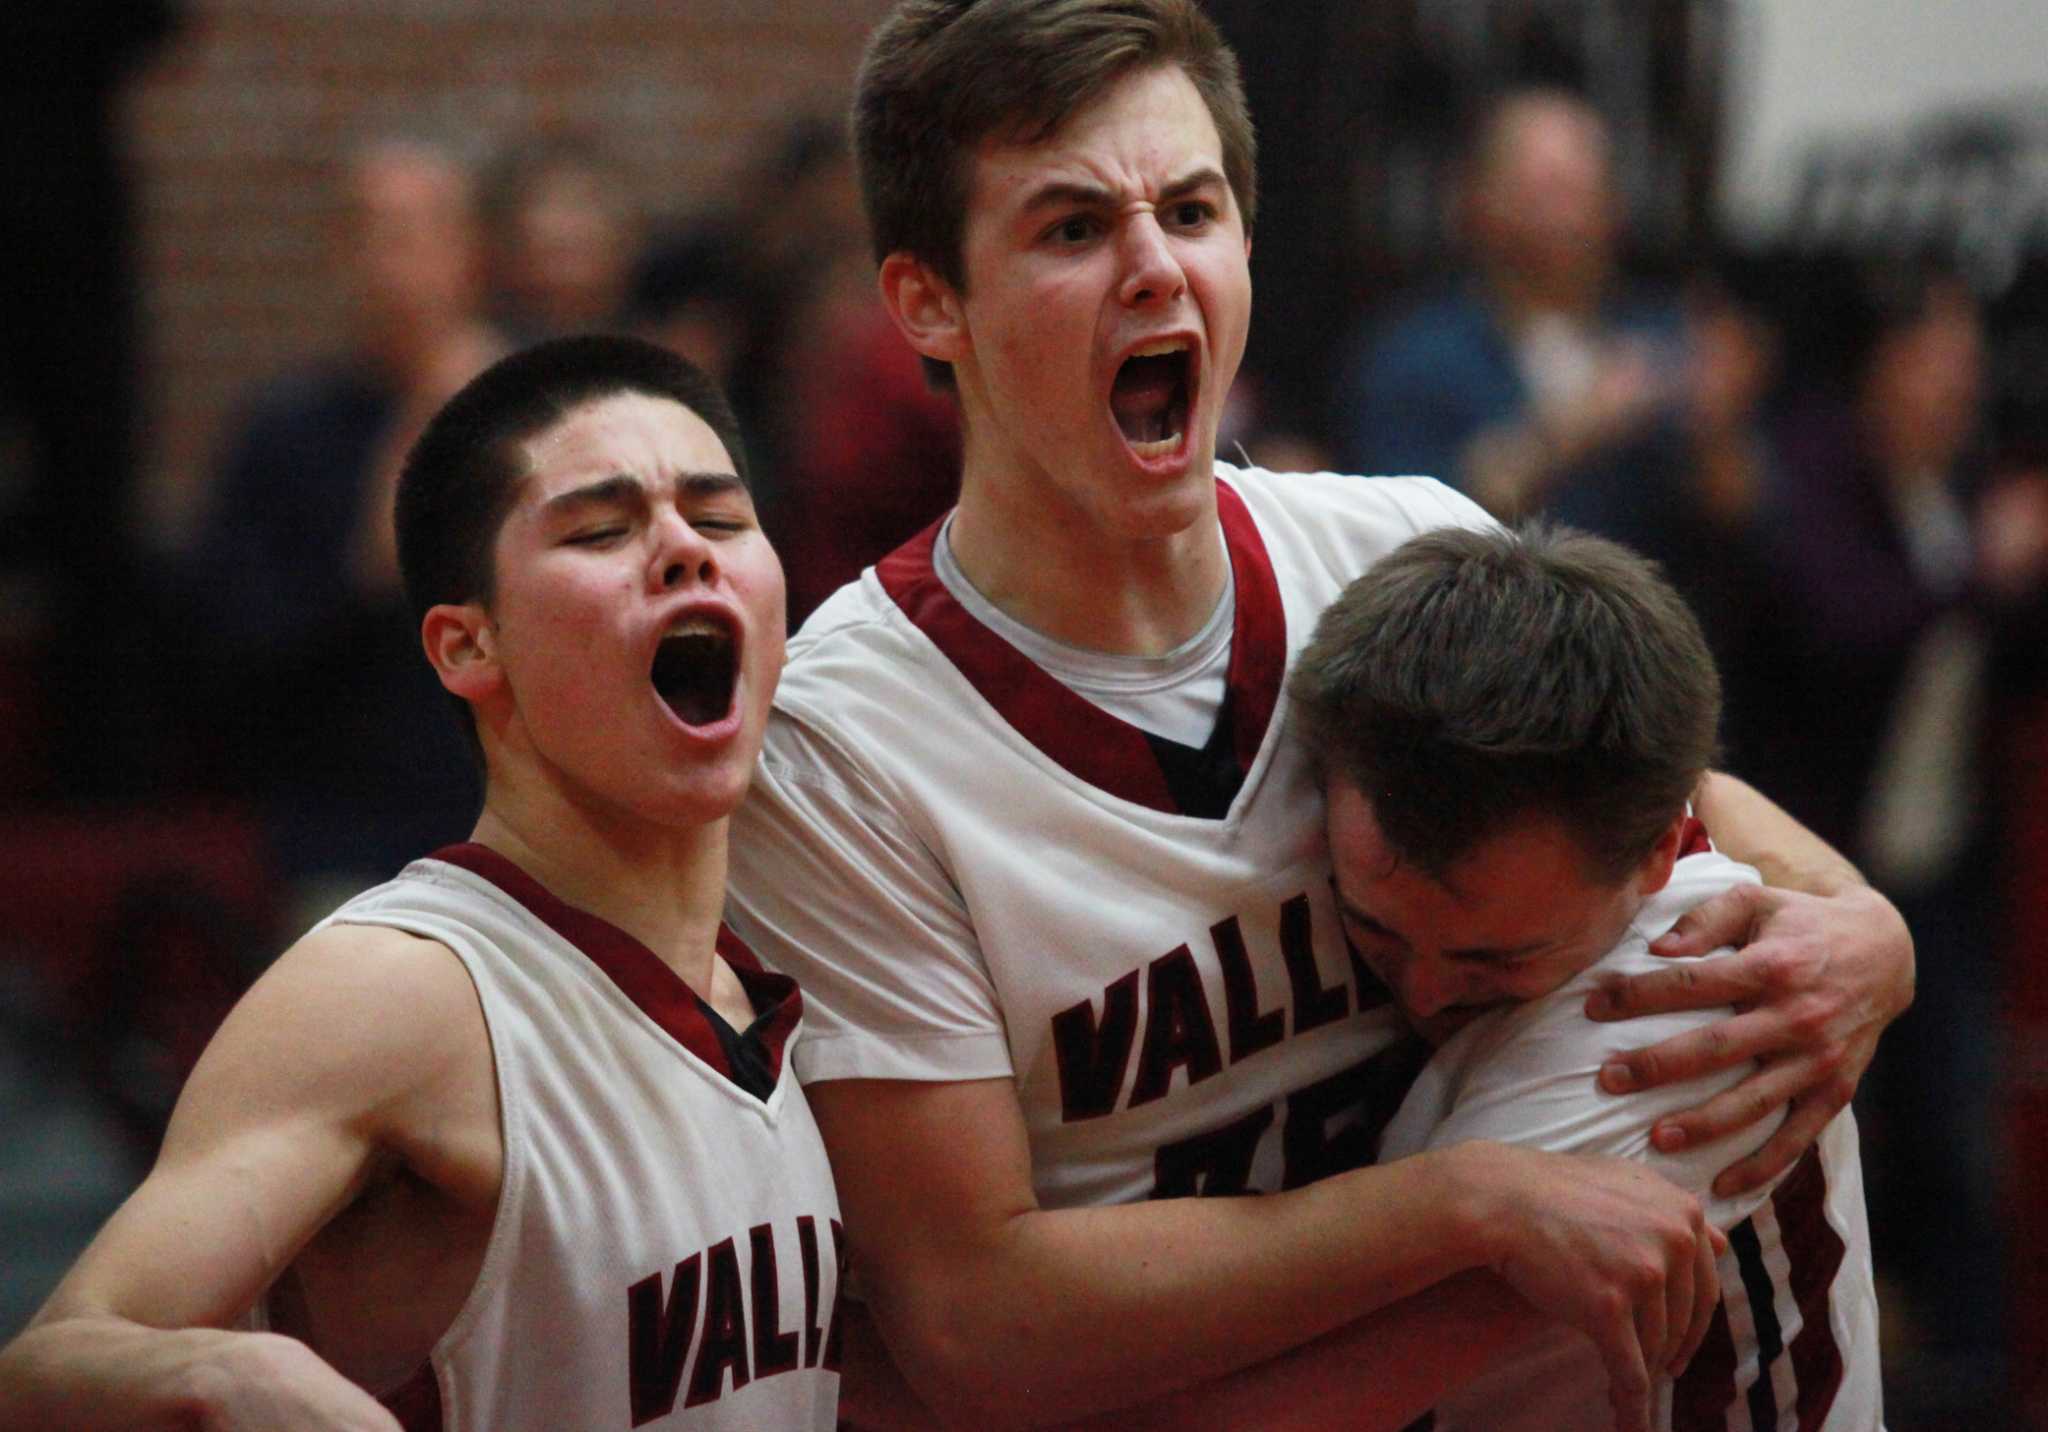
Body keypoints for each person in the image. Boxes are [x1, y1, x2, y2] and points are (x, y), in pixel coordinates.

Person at [722, 3, 1913, 1428]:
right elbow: (979, 1326)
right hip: (1162, 1388)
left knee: (1713, 971)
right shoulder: (836, 744)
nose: (1155, 265)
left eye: (1191, 208)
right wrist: (1457, 1206)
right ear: (928, 301)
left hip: (1458, 1348)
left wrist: (1869, 930)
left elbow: (1666, 810)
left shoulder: (1391, 539)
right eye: (1073, 230)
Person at [0, 336, 843, 1429]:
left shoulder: (768, 980)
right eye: (601, 527)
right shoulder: (397, 991)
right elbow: (46, 1368)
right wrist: (219, 1373)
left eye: (720, 518)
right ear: (464, 646)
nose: (685, 548)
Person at [1293, 522, 1881, 1429]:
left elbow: (1309, 1408)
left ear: (1654, 859)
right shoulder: (1593, 823)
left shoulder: (1671, 1016)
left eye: (1495, 956)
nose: (1422, 995)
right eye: (1376, 931)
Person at [180, 134, 507, 913]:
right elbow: (237, 649)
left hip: (524, 828)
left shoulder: (533, 414)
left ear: (471, 254)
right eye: (364, 235)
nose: (390, 262)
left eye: (415, 234)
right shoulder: (288, 430)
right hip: (349, 835)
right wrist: (374, 545)